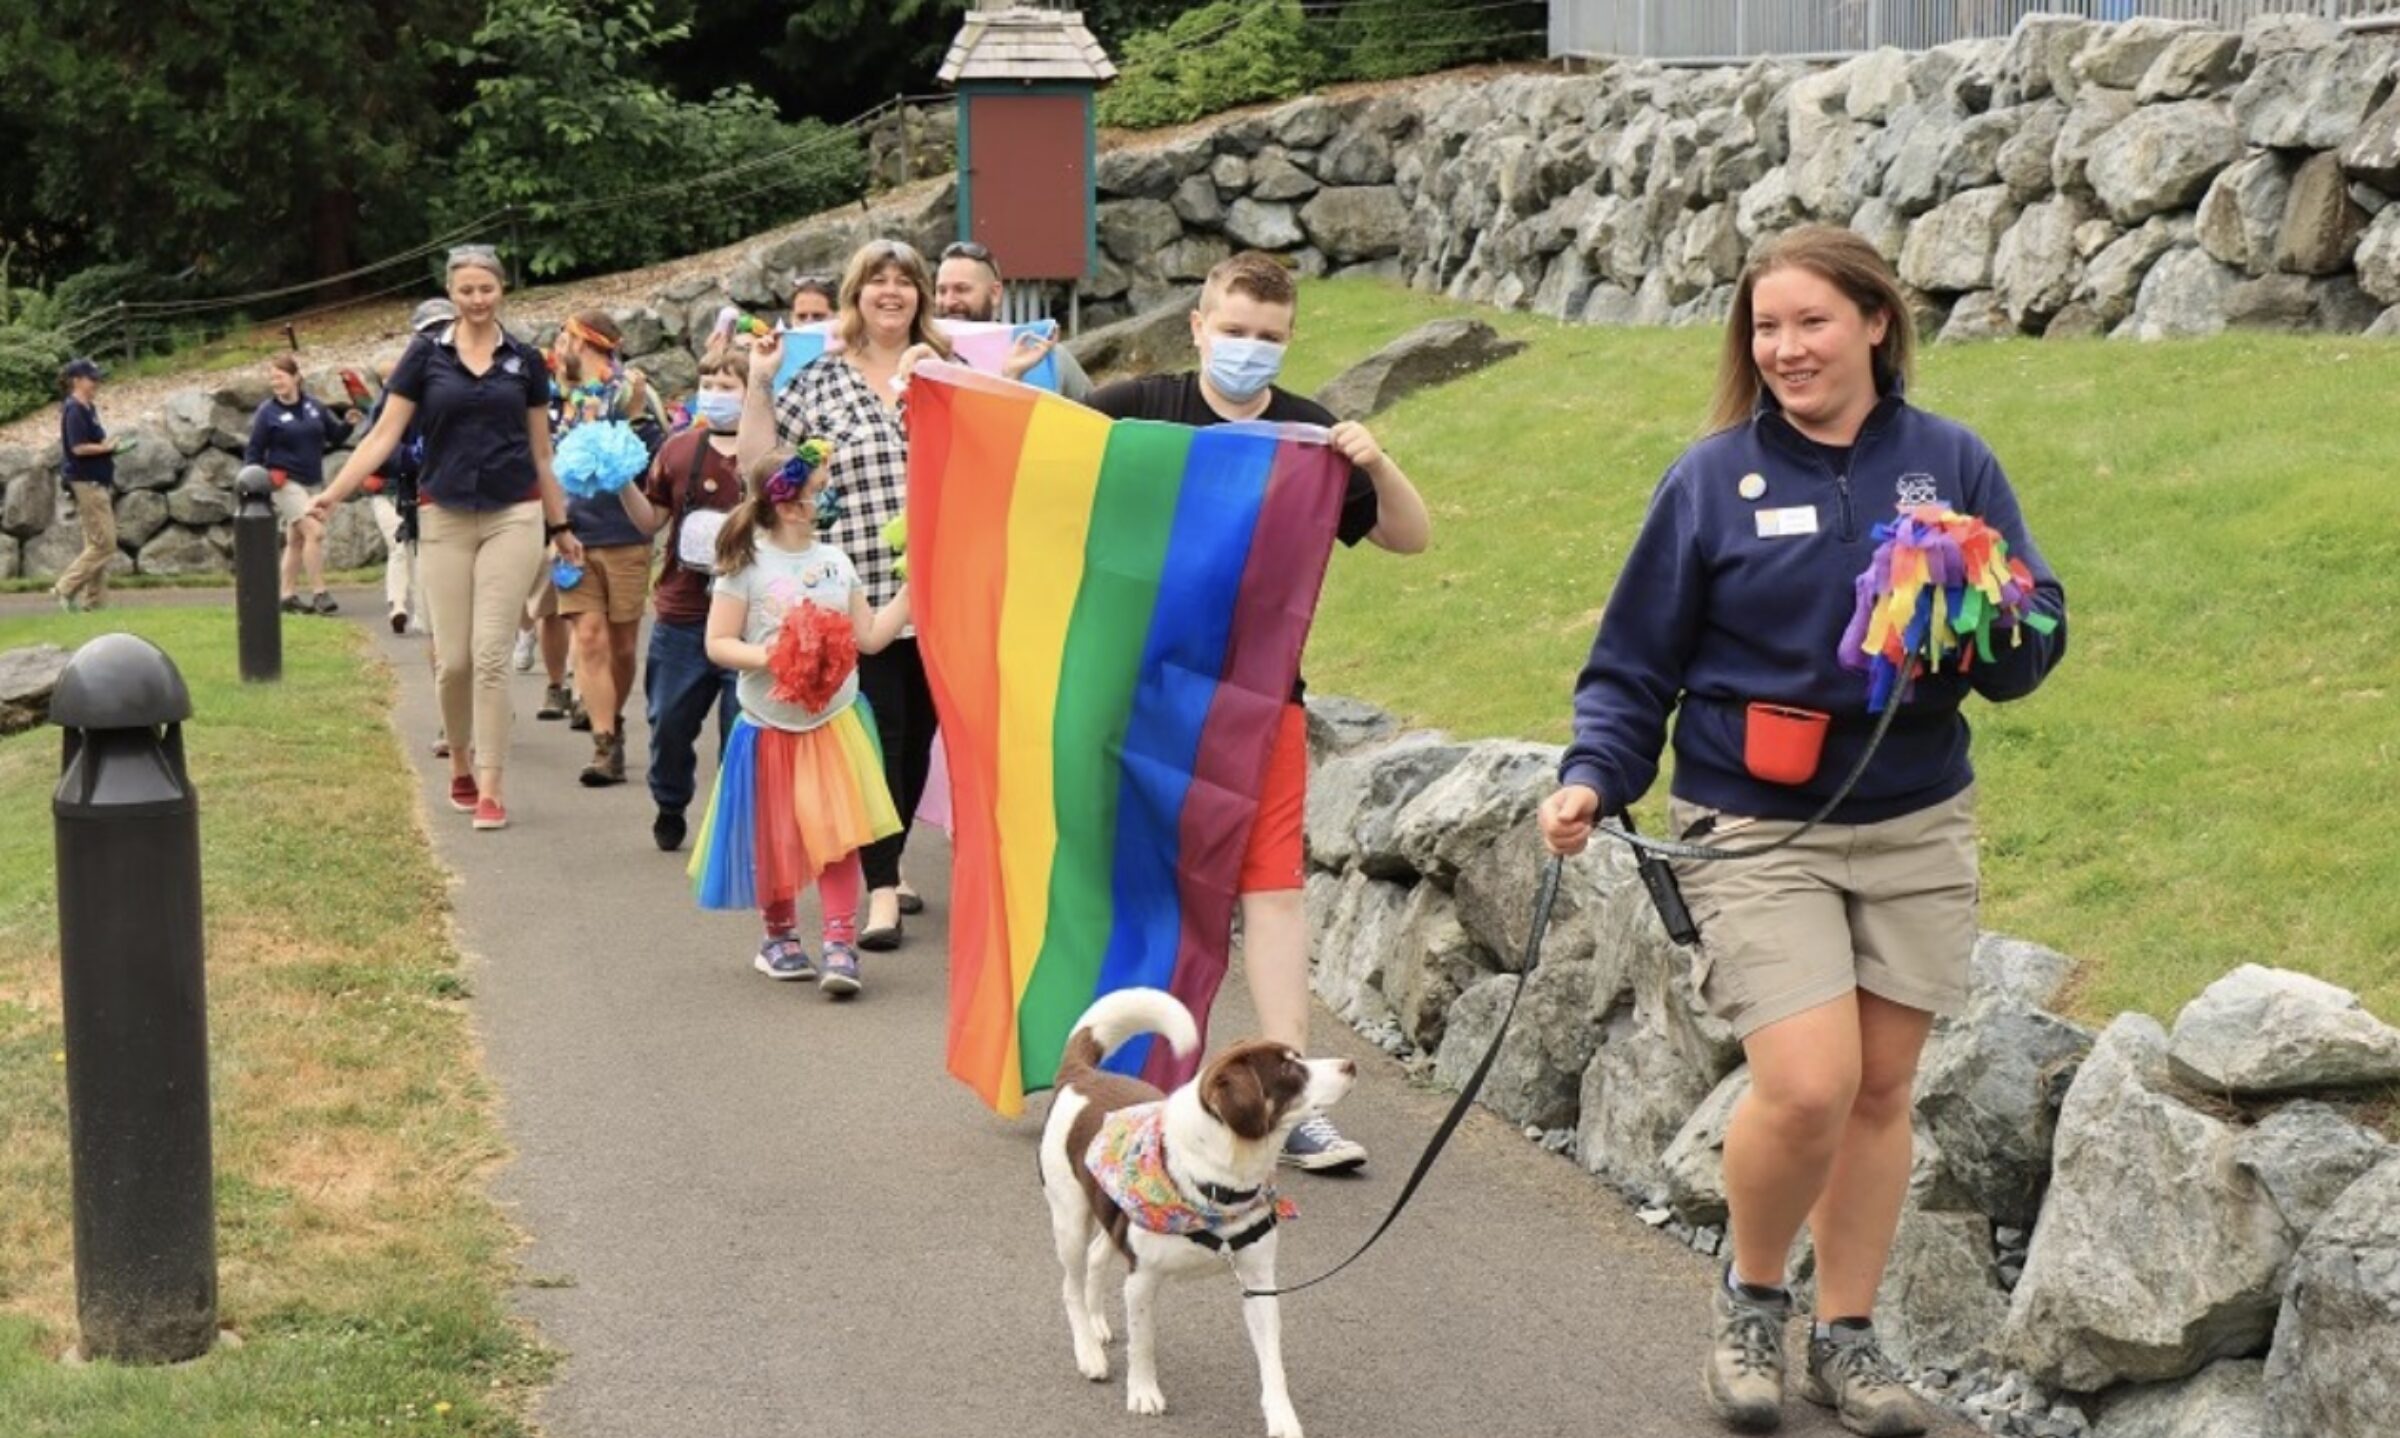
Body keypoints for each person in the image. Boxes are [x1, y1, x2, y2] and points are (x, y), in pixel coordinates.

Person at [1535, 225, 2066, 1438]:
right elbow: (1631, 666)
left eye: (1810, 322)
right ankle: (1753, 1301)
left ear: (1876, 322)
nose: (1784, 348)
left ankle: (1848, 1338)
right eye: (1765, 328)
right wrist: (1592, 776)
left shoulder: (1952, 461)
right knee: (1811, 1082)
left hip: (1918, 819)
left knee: (1881, 1089)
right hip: (1757, 824)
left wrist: (1983, 602)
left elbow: (2028, 650)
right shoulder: (1711, 479)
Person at [1084, 250, 1431, 1172]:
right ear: (1198, 327)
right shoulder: (1142, 407)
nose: (1248, 348)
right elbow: (1032, 456)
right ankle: (1131, 1092)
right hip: (1144, 698)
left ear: (1289, 340)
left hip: (1262, 703)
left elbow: (1410, 536)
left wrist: (1376, 460)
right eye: (1233, 330)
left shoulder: (1311, 436)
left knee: (1273, 894)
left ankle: (1293, 1102)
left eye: (1267, 337)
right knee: (1148, 891)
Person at [314, 244, 586, 832]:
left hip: (514, 513)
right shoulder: (425, 356)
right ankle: (459, 759)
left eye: (486, 288)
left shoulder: (525, 362)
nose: (477, 299)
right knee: (454, 660)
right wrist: (333, 494)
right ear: (451, 293)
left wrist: (560, 525)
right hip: (443, 515)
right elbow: (383, 436)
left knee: (490, 656)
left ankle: (491, 785)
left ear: (502, 290)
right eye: (466, 290)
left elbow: (542, 453)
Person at [743, 238, 953, 952]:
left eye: (905, 281)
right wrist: (761, 382)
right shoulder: (821, 381)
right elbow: (763, 470)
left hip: (940, 589)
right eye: (877, 281)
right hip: (855, 591)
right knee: (879, 736)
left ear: (921, 295)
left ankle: (888, 858)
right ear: (855, 295)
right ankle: (883, 889)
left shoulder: (948, 371)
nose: (891, 292)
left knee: (919, 740)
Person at [692, 436, 913, 998]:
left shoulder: (836, 562)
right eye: (821, 490)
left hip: (833, 724)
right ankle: (779, 936)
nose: (830, 497)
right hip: (769, 726)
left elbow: (870, 637)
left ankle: (840, 942)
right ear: (790, 505)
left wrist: (916, 588)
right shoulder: (745, 566)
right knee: (777, 838)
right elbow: (718, 642)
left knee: (840, 835)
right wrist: (772, 655)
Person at [640, 342, 749, 851]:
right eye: (707, 384)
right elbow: (651, 520)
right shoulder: (678, 449)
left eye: (727, 386)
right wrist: (620, 485)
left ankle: (730, 823)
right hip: (683, 613)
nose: (715, 394)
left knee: (741, 731)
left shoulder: (769, 453)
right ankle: (669, 800)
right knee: (668, 722)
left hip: (748, 620)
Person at [550, 310, 661, 786]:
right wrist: (554, 526)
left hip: (625, 536)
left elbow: (657, 456)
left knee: (622, 645)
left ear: (583, 342)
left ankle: (613, 717)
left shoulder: (633, 391)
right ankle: (604, 743)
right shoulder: (556, 398)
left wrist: (628, 425)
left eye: (564, 338)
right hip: (573, 536)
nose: (558, 348)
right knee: (590, 636)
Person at [365, 298, 456, 634]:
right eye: (429, 332)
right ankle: (408, 611)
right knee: (431, 602)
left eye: (444, 329)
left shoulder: (486, 372)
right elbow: (379, 445)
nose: (438, 338)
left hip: (479, 502)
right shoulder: (399, 391)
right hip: (422, 499)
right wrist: (416, 457)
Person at [248, 354, 364, 616]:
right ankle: (320, 593)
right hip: (284, 483)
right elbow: (254, 451)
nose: (275, 382)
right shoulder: (267, 412)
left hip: (313, 482)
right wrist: (256, 484)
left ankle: (286, 596)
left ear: (296, 377)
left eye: (280, 377)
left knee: (296, 541)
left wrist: (348, 423)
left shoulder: (314, 406)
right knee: (315, 532)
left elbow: (334, 436)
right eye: (272, 378)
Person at [931, 240, 1093, 400]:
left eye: (962, 289)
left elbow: (1096, 414)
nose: (949, 301)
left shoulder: (1046, 355)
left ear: (995, 294)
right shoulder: (924, 354)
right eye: (941, 291)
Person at [51, 357, 124, 613]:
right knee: (105, 544)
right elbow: (78, 448)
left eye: (97, 378)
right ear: (76, 381)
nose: (96, 383)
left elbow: (92, 442)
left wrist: (109, 446)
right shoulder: (74, 409)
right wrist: (106, 448)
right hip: (86, 482)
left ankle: (95, 603)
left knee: (95, 542)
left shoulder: (88, 407)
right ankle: (65, 587)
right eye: (91, 379)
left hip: (96, 479)